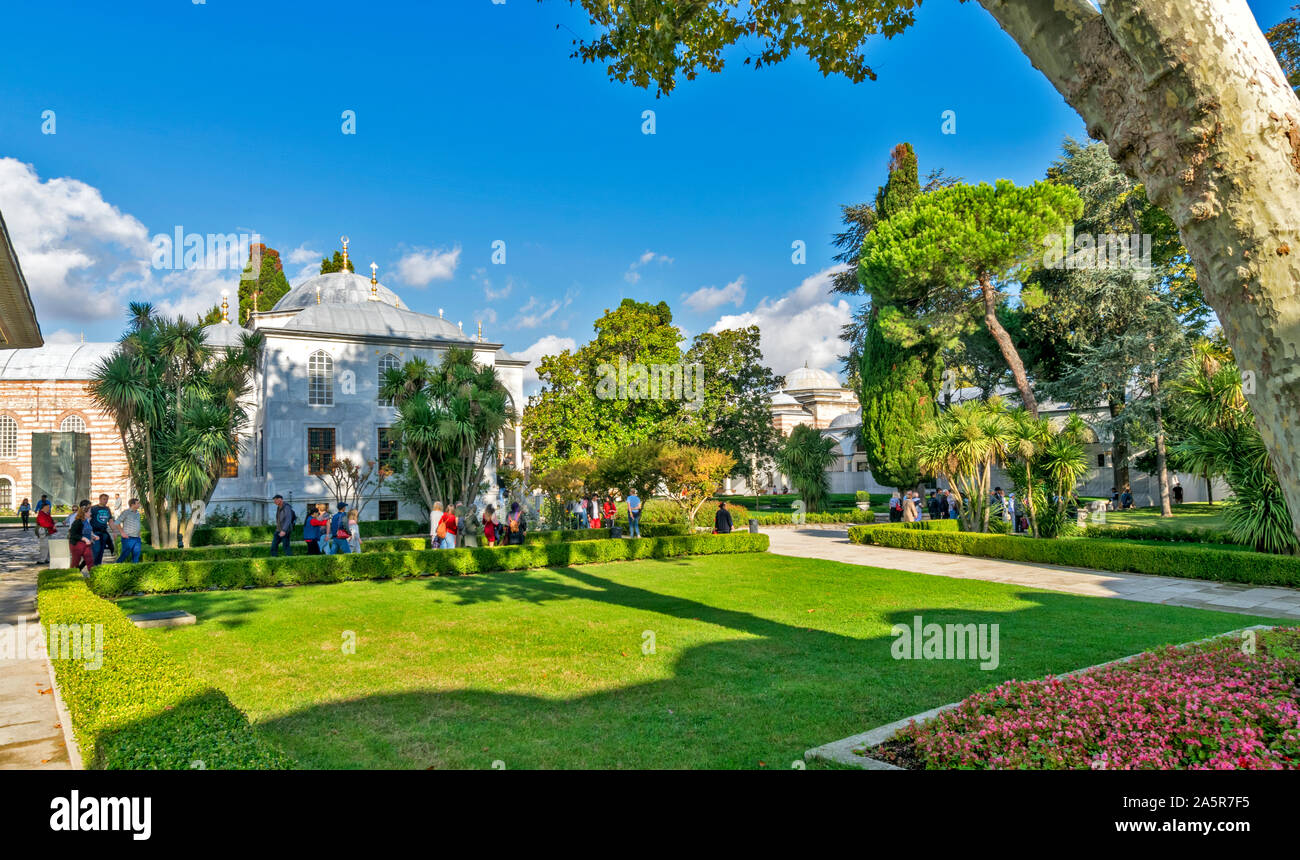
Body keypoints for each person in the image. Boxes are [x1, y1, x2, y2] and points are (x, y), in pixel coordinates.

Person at [68, 503, 96, 573]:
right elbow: (73, 535)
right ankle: (73, 576)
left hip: (86, 545)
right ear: (85, 513)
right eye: (89, 512)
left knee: (90, 560)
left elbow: (88, 531)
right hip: (77, 545)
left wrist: (93, 536)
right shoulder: (77, 522)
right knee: (75, 562)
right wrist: (84, 538)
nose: (90, 513)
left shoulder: (87, 521)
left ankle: (94, 576)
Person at [114, 498, 144, 563]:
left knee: (136, 555)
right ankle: (116, 566)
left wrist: (139, 534)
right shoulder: (126, 512)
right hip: (128, 538)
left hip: (137, 538)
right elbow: (117, 522)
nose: (139, 504)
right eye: (138, 503)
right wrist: (122, 533)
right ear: (132, 504)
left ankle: (135, 570)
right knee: (125, 554)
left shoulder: (137, 513)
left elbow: (137, 524)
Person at [88, 494, 114, 565]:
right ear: (100, 499)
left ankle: (98, 567)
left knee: (101, 552)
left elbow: (110, 520)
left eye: (107, 499)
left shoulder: (107, 509)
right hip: (95, 532)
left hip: (104, 533)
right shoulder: (94, 508)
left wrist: (114, 531)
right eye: (104, 499)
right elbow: (88, 519)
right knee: (96, 550)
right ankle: (91, 567)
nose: (105, 501)